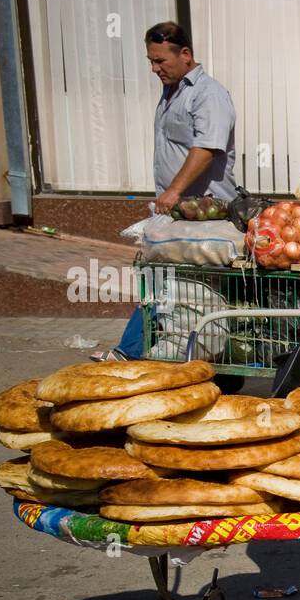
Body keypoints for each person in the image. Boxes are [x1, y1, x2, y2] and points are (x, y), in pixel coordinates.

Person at [101, 21, 238, 360]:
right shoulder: (171, 93)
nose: (155, 68)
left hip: (205, 213)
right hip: (175, 213)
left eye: (161, 61)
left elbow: (207, 148)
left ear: (186, 54)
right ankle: (138, 352)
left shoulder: (209, 95)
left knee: (165, 281)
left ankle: (132, 353)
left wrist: (174, 191)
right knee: (163, 282)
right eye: (151, 61)